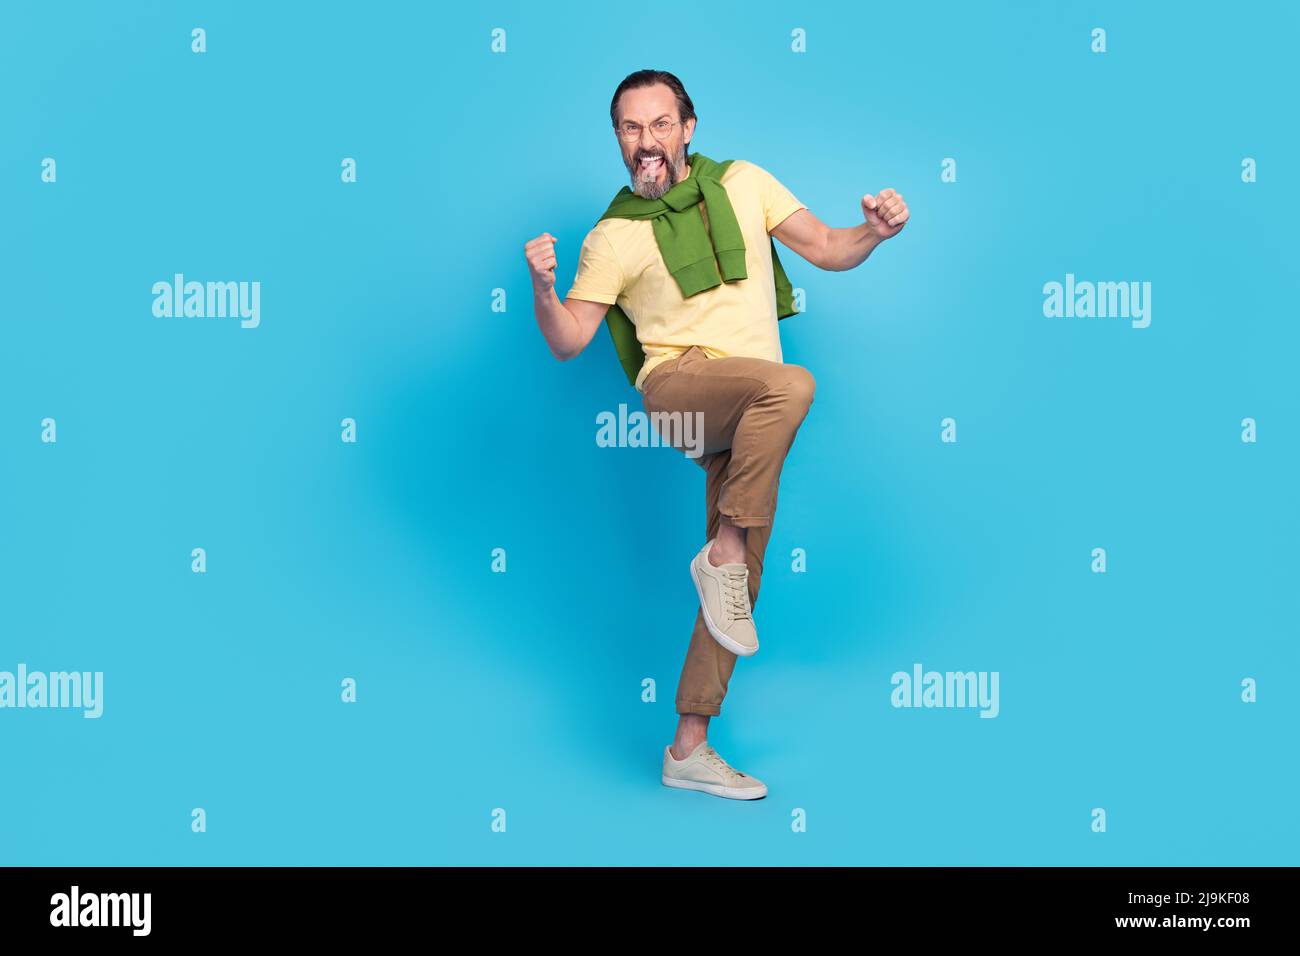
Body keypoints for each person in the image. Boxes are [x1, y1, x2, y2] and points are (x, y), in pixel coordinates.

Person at [524, 69, 909, 800]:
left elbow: (828, 246)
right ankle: (722, 552)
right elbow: (569, 339)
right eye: (631, 129)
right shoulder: (614, 234)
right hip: (680, 392)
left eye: (660, 124)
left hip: (749, 408)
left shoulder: (745, 184)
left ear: (688, 127)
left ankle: (687, 747)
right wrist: (545, 291)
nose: (646, 143)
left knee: (740, 589)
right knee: (793, 384)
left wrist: (875, 233)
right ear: (618, 139)